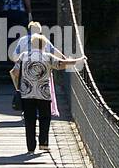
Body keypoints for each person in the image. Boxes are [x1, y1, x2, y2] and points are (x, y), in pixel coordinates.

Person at [11, 21, 84, 154]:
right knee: (45, 118)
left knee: (29, 120)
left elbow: (15, 72)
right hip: (44, 93)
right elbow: (62, 64)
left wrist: (19, 84)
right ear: (44, 45)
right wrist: (78, 60)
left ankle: (31, 147)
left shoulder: (23, 56)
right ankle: (43, 143)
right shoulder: (47, 56)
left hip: (27, 93)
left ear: (32, 43)